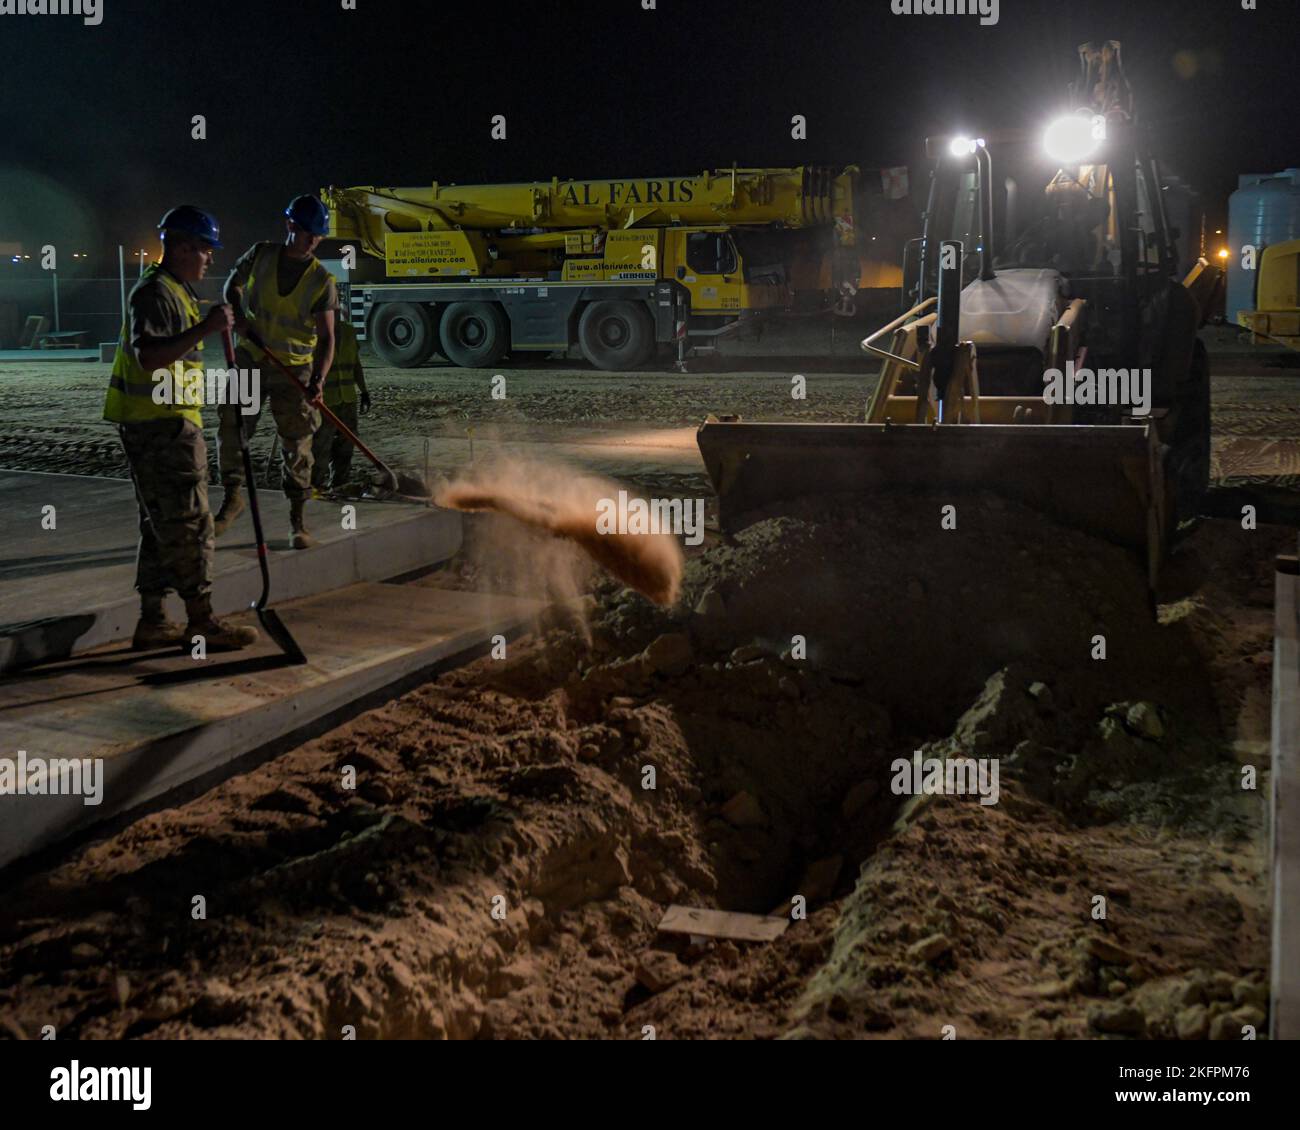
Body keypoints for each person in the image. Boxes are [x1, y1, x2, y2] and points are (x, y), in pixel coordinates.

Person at [103, 205, 259, 651]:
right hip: (162, 428)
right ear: (184, 246)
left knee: (158, 525)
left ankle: (152, 620)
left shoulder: (175, 291)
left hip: (162, 423)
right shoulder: (154, 293)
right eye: (206, 249)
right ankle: (202, 620)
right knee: (192, 524)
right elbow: (148, 357)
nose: (210, 259)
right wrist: (207, 328)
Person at [213, 194, 337, 548]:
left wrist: (318, 380)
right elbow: (230, 286)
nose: (312, 241)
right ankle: (232, 498)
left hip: (294, 371)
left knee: (298, 445)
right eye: (307, 233)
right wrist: (238, 316)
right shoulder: (261, 255)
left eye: (318, 236)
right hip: (251, 358)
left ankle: (297, 521)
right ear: (290, 227)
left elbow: (328, 338)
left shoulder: (321, 281)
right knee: (233, 427)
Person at [310, 317, 371, 492]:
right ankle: (316, 487)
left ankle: (339, 486)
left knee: (346, 446)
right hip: (324, 403)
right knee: (320, 447)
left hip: (347, 400)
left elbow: (355, 364)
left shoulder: (349, 332)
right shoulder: (311, 332)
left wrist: (364, 391)